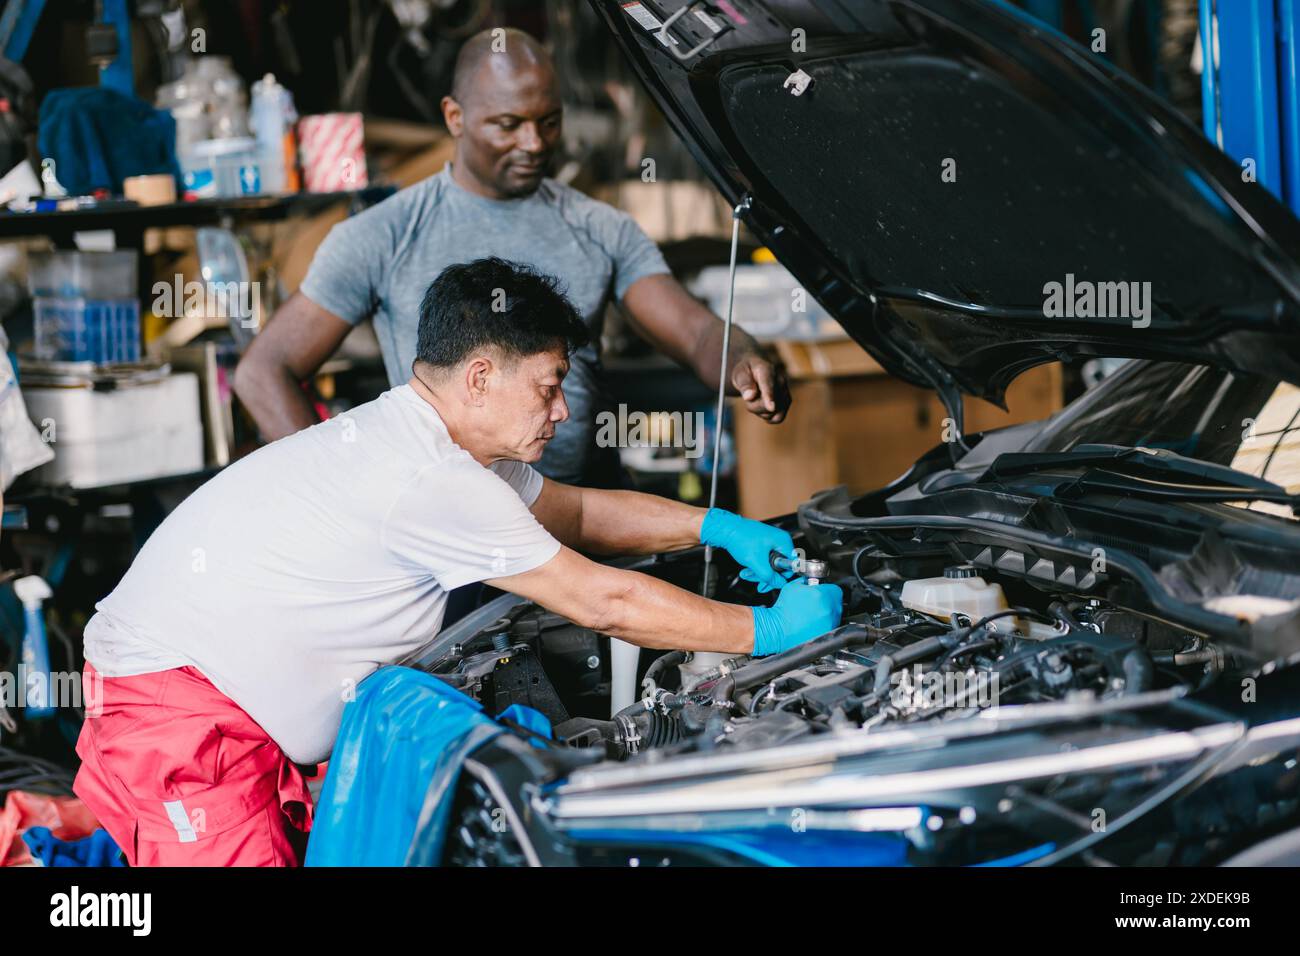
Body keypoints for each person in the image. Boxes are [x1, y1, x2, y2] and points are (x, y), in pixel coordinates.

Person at [73, 258, 842, 866]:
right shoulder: (428, 479)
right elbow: (601, 601)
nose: (563, 410)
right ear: (480, 378)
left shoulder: (441, 444)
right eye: (549, 388)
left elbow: (576, 514)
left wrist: (716, 527)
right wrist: (766, 633)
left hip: (221, 699)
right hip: (179, 712)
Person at [234, 27, 790, 489]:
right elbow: (263, 371)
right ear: (455, 118)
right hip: (451, 535)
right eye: (508, 125)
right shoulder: (383, 234)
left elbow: (692, 332)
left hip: (587, 519)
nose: (533, 143)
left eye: (548, 122)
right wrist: (343, 493)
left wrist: (740, 359)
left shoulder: (599, 227)